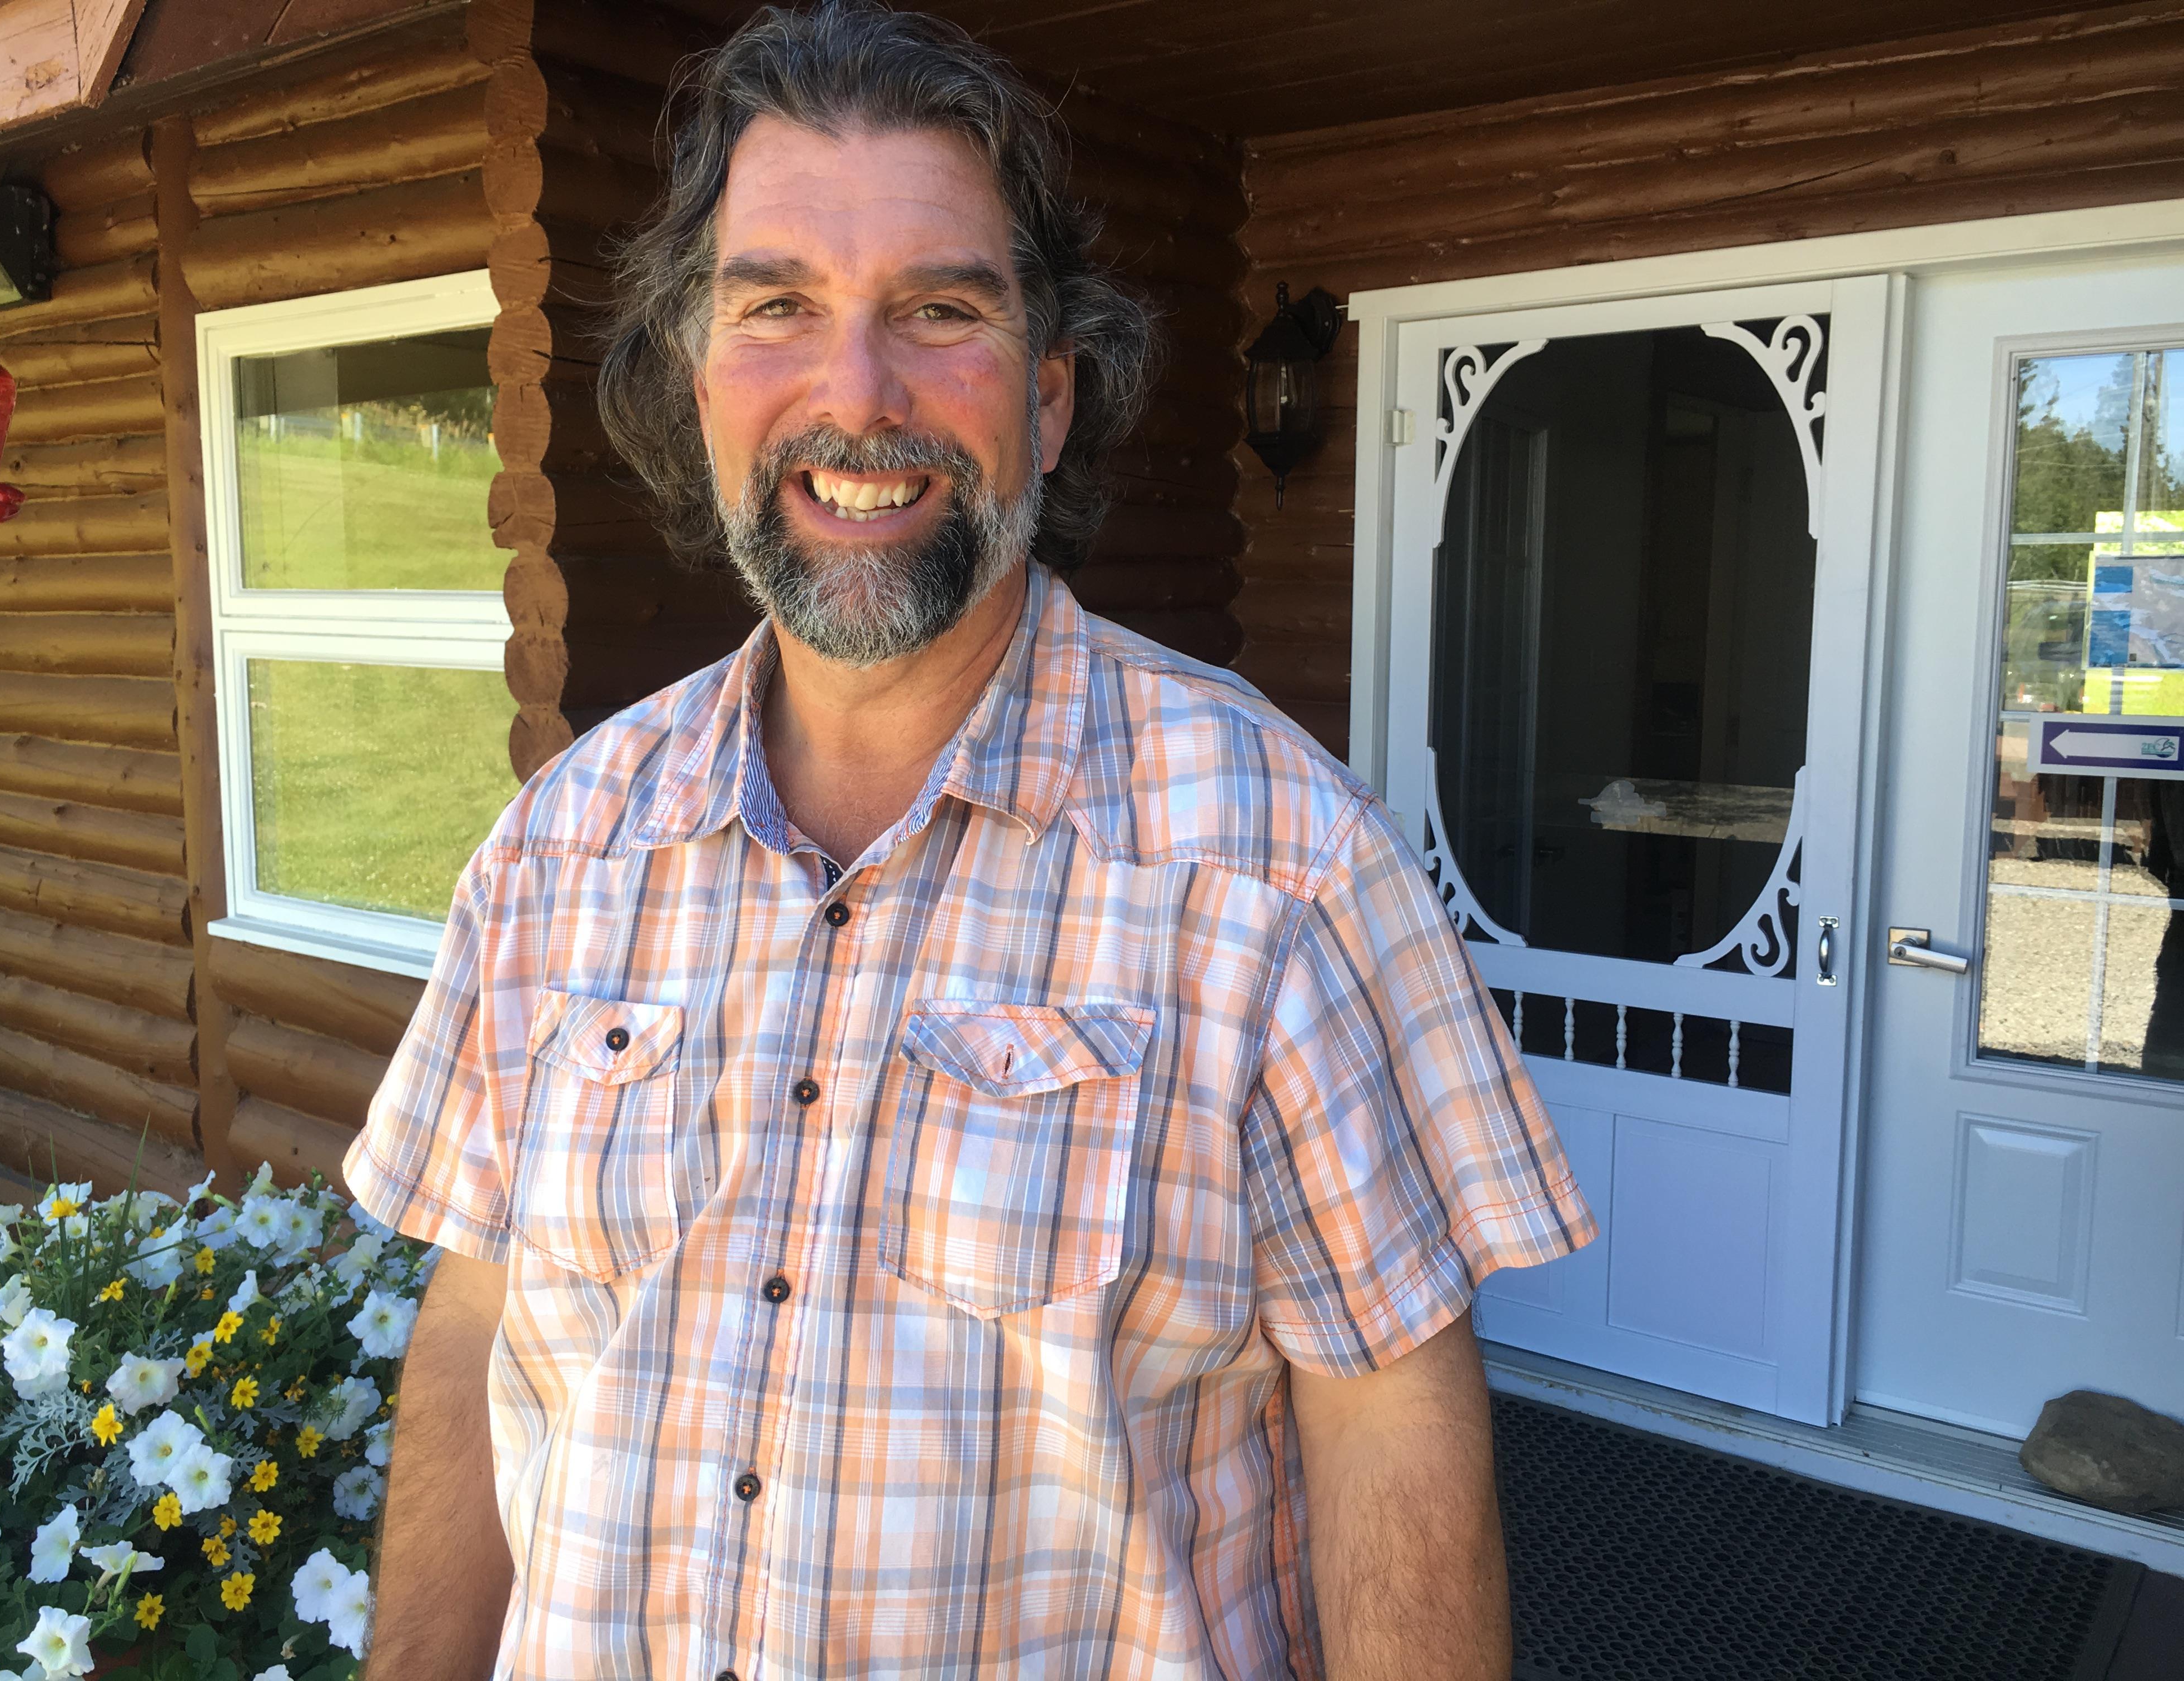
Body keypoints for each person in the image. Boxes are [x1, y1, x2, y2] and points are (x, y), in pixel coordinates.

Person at [342, 6, 1594, 1678]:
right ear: (700, 383)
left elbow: (1391, 1428)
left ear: (1049, 400)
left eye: (941, 311)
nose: (857, 395)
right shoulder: (558, 848)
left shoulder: (1285, 863)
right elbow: (480, 1325)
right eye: (777, 306)